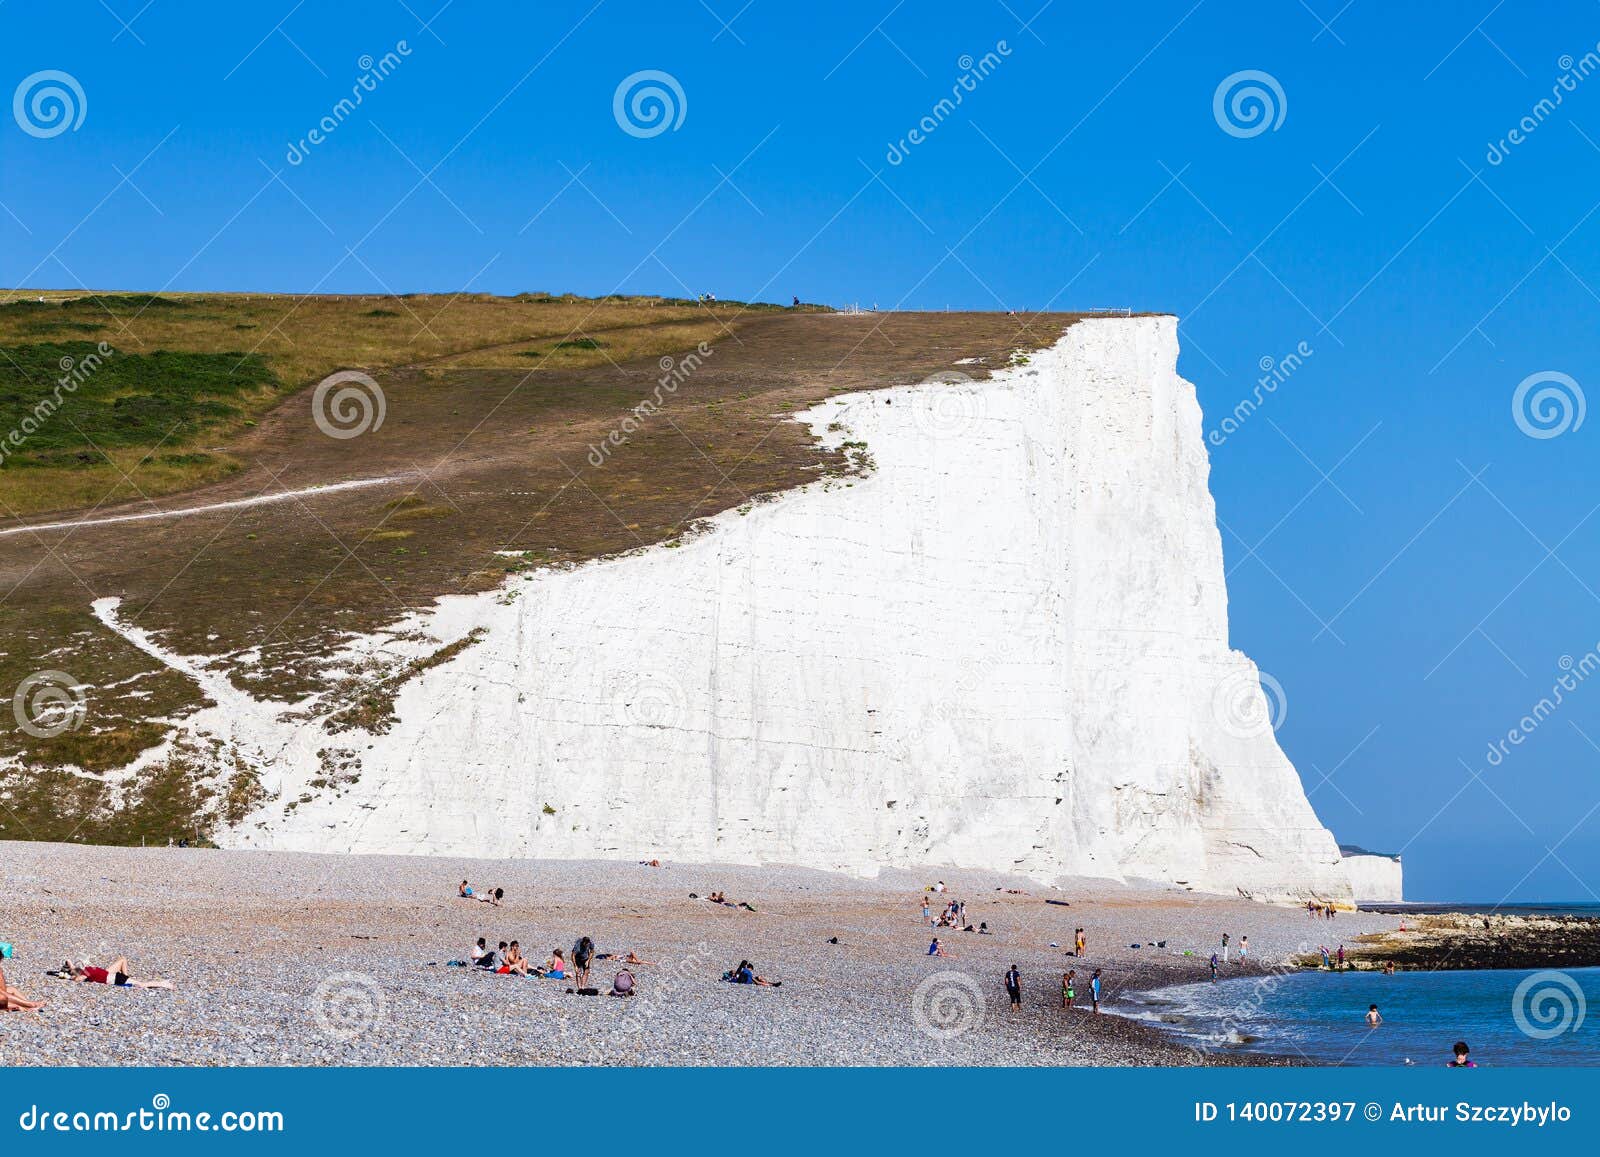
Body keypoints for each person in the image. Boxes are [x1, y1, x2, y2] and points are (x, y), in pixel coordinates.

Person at [70, 957, 174, 990]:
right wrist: (70, 965)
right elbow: (76, 970)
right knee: (138, 983)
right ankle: (162, 983)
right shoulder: (89, 968)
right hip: (115, 976)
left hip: (117, 979)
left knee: (141, 984)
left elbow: (77, 979)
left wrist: (73, 978)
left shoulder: (87, 972)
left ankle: (163, 984)